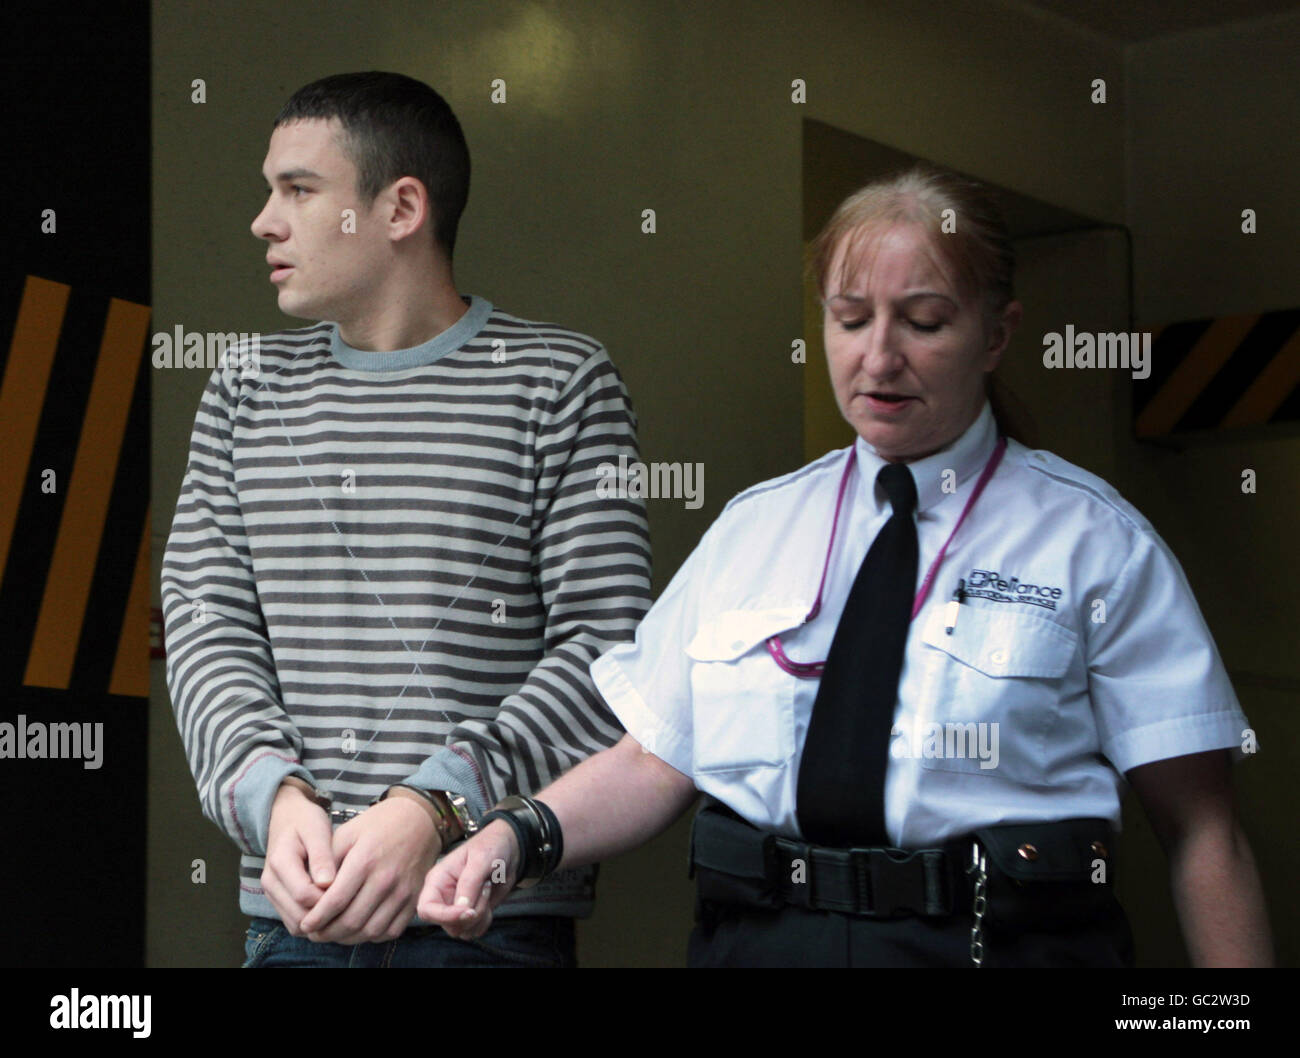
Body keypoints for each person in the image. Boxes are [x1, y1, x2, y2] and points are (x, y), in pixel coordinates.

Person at [416, 165, 1274, 968]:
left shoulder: (1093, 541)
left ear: (995, 335)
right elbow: (654, 761)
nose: (879, 357)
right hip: (762, 938)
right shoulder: (756, 528)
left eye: (925, 321)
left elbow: (1202, 831)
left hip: (995, 942)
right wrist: (512, 836)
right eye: (850, 318)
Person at [161, 71, 651, 968]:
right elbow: (207, 626)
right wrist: (275, 797)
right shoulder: (245, 389)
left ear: (400, 209)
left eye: (298, 191)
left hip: (487, 919)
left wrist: (437, 807)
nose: (264, 222)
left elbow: (607, 650)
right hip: (293, 917)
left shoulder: (558, 383)